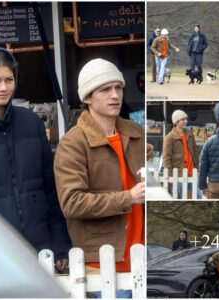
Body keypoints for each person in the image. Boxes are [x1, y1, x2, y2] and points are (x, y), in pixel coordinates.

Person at [0, 46, 72, 271]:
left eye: (9, 79)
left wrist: (60, 243)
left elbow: (51, 189)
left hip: (42, 250)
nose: (4, 88)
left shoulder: (31, 122)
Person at [54, 58, 145, 298]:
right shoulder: (73, 143)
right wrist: (128, 198)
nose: (114, 95)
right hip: (103, 263)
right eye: (104, 89)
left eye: (118, 87)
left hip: (145, 256)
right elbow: (72, 203)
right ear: (87, 97)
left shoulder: (137, 133)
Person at [162, 110, 202, 199]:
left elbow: (195, 151)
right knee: (179, 198)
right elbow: (166, 158)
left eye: (186, 119)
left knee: (199, 197)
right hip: (179, 175)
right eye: (182, 119)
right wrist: (171, 176)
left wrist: (198, 167)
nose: (186, 121)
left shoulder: (190, 134)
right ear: (176, 122)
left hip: (193, 173)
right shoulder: (169, 138)